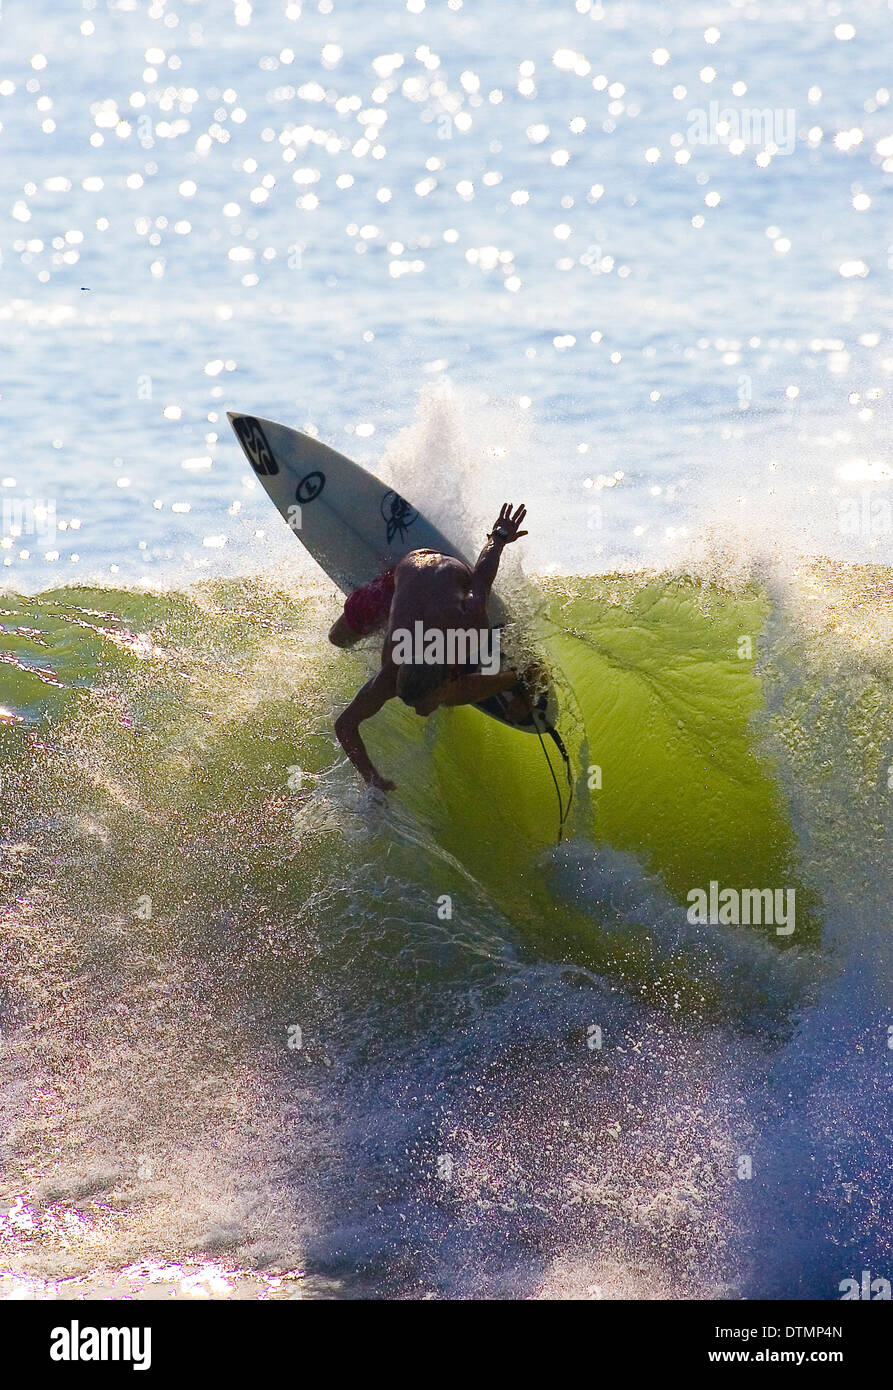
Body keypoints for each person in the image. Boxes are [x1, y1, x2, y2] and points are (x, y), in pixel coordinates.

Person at [328, 503, 529, 790]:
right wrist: (371, 778)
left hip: (447, 571)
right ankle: (388, 614)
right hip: (399, 579)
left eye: (426, 704)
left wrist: (498, 536)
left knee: (448, 697)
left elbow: (481, 576)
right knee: (338, 639)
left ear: (450, 673)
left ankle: (517, 676)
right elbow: (344, 726)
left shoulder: (469, 624)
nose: (421, 714)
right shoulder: (390, 672)